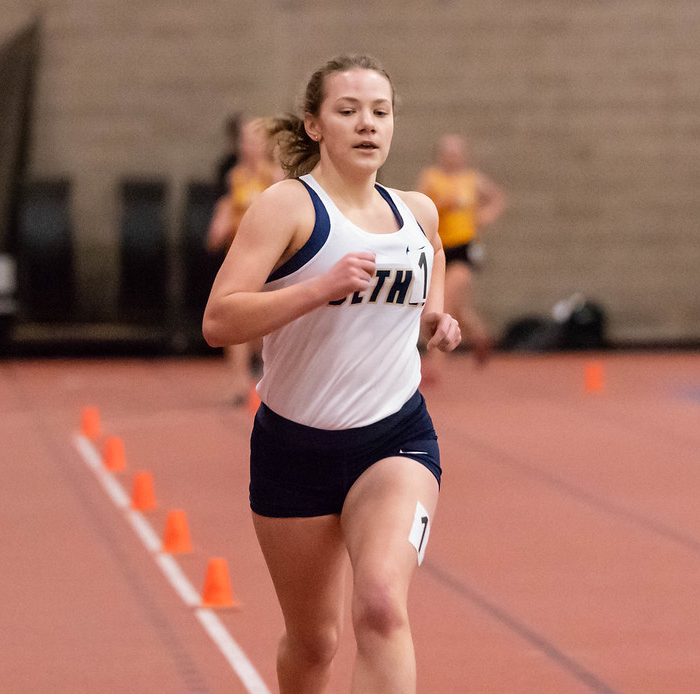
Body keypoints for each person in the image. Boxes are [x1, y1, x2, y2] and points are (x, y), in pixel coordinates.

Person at [203, 55, 461, 693]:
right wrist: (316, 289)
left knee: (380, 605)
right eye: (348, 111)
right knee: (314, 643)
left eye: (381, 111)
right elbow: (219, 320)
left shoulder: (417, 210)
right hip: (294, 447)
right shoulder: (286, 207)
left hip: (394, 440)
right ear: (316, 126)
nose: (367, 124)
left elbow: (431, 255)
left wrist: (435, 317)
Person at [207, 117, 284, 405]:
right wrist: (223, 221)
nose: (248, 146)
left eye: (254, 140)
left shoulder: (275, 178)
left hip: (269, 260)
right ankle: (239, 384)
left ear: (265, 144)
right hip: (239, 258)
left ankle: (267, 374)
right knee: (234, 321)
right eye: (244, 141)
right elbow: (227, 208)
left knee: (263, 326)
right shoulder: (235, 177)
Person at [417, 133, 505, 372]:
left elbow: (497, 198)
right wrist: (442, 204)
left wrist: (483, 216)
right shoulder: (431, 179)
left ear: (463, 156)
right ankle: (481, 336)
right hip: (438, 249)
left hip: (463, 251)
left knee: (442, 303)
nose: (452, 158)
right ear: (440, 156)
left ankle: (434, 366)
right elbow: (419, 209)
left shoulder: (472, 181)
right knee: (460, 310)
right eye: (447, 153)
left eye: (456, 153)